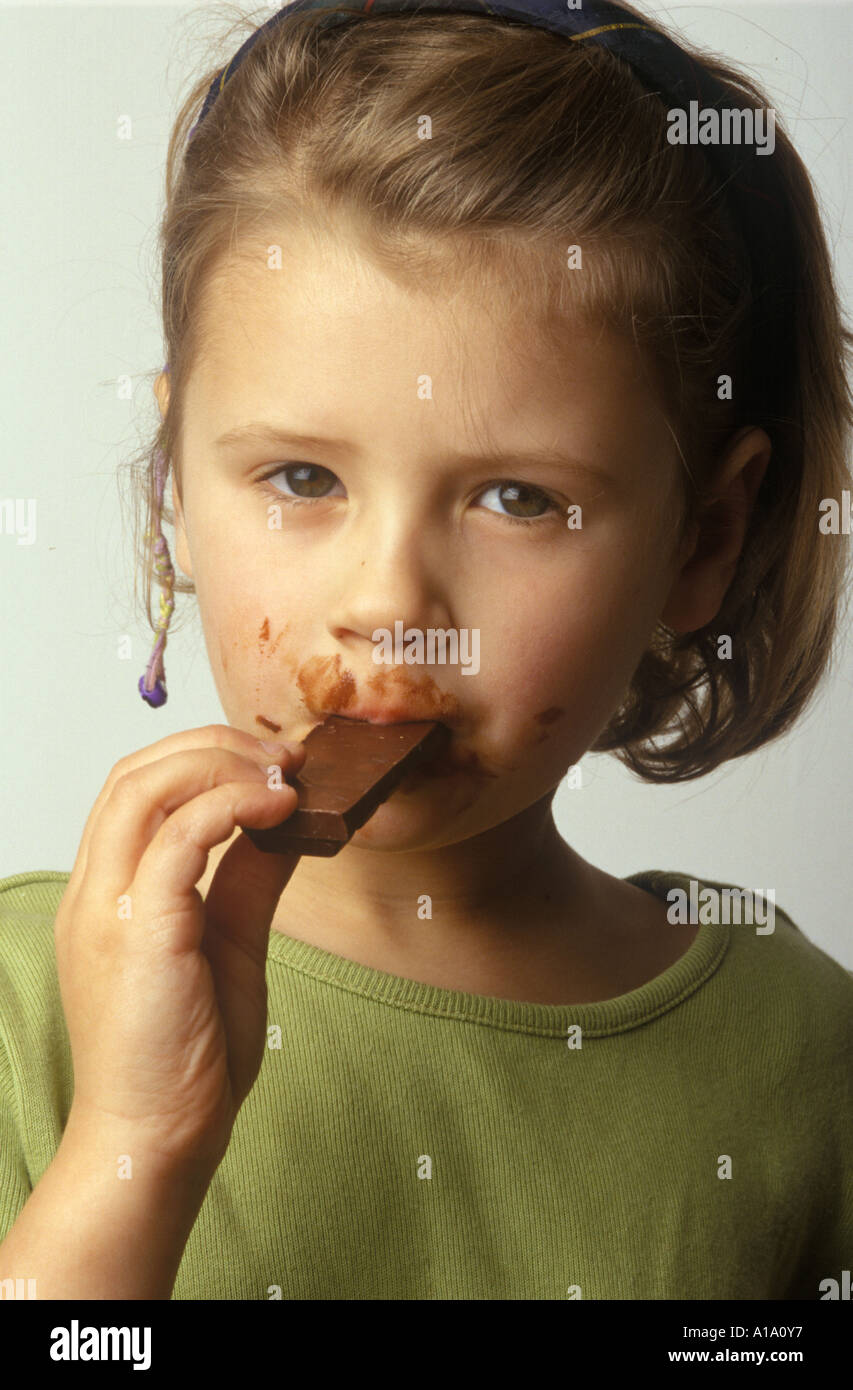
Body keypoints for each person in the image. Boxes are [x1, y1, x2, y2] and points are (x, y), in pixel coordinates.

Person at [1, 0, 851, 1300]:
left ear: (701, 541)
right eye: (300, 475)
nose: (390, 604)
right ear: (176, 484)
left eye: (517, 498)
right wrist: (133, 1149)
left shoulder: (803, 1059)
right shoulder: (34, 1008)